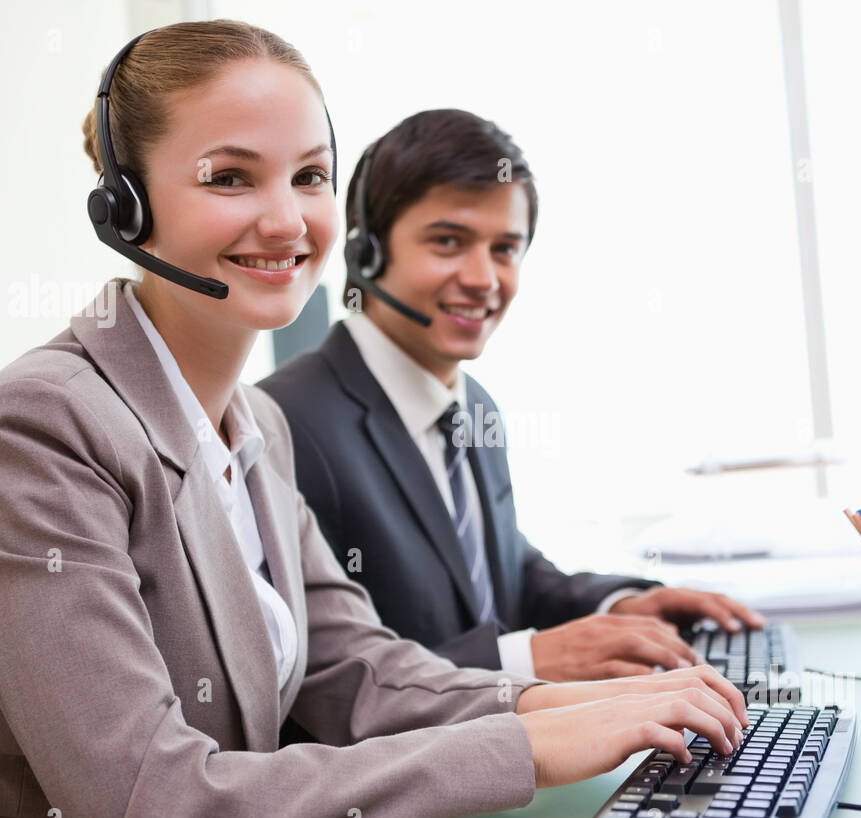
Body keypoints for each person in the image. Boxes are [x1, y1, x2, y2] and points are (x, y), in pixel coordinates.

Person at [0, 19, 748, 818]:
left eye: (309, 177)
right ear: (127, 207)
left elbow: (357, 672)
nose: (284, 221)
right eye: (229, 177)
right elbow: (150, 812)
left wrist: (556, 705)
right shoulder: (40, 429)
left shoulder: (254, 424)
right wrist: (526, 751)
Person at [258, 109, 766, 683]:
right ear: (366, 252)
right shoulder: (284, 424)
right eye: (449, 242)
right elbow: (317, 681)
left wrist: (616, 605)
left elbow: (505, 577)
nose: (484, 279)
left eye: (505, 248)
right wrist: (523, 660)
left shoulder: (473, 405)